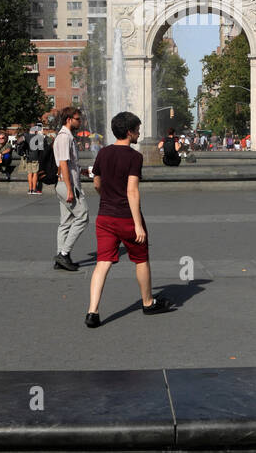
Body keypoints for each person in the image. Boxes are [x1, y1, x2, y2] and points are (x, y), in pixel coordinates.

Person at [85, 111, 173, 326]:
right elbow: (132, 191)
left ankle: (92, 311)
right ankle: (148, 302)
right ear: (129, 132)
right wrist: (137, 225)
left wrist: (105, 197)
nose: (139, 133)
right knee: (141, 260)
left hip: (105, 216)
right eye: (137, 130)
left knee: (103, 262)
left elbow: (96, 182)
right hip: (126, 218)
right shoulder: (134, 157)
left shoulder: (103, 153)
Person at [53, 107, 88, 272]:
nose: (79, 122)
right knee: (83, 217)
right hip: (67, 185)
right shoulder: (64, 137)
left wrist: (81, 171)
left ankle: (60, 257)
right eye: (77, 119)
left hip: (65, 183)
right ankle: (64, 254)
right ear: (69, 119)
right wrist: (69, 189)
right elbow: (63, 164)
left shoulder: (66, 137)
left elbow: (70, 164)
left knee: (66, 222)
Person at [23, 126, 42, 195]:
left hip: (28, 157)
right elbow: (41, 148)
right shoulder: (38, 137)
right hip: (35, 157)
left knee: (29, 173)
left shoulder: (26, 136)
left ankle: (30, 189)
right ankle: (34, 189)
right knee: (35, 173)